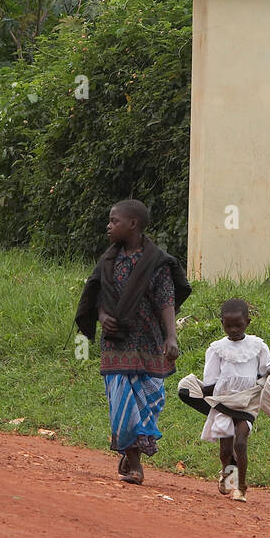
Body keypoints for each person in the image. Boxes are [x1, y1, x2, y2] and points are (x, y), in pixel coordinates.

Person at [75, 199, 191, 484]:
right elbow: (98, 295)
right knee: (122, 405)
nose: (109, 226)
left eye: (114, 221)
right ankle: (136, 464)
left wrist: (171, 337)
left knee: (150, 402)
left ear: (133, 224)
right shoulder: (108, 260)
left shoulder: (157, 262)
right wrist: (101, 316)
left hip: (150, 344)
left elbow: (166, 300)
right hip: (116, 345)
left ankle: (129, 454)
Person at [178, 298, 270, 503]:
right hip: (225, 401)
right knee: (226, 450)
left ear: (248, 322)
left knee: (241, 442)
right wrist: (200, 391)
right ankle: (227, 472)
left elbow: (266, 368)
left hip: (247, 402)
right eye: (229, 326)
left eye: (239, 325)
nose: (234, 329)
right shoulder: (217, 349)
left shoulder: (258, 346)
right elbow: (211, 379)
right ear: (222, 325)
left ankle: (241, 488)